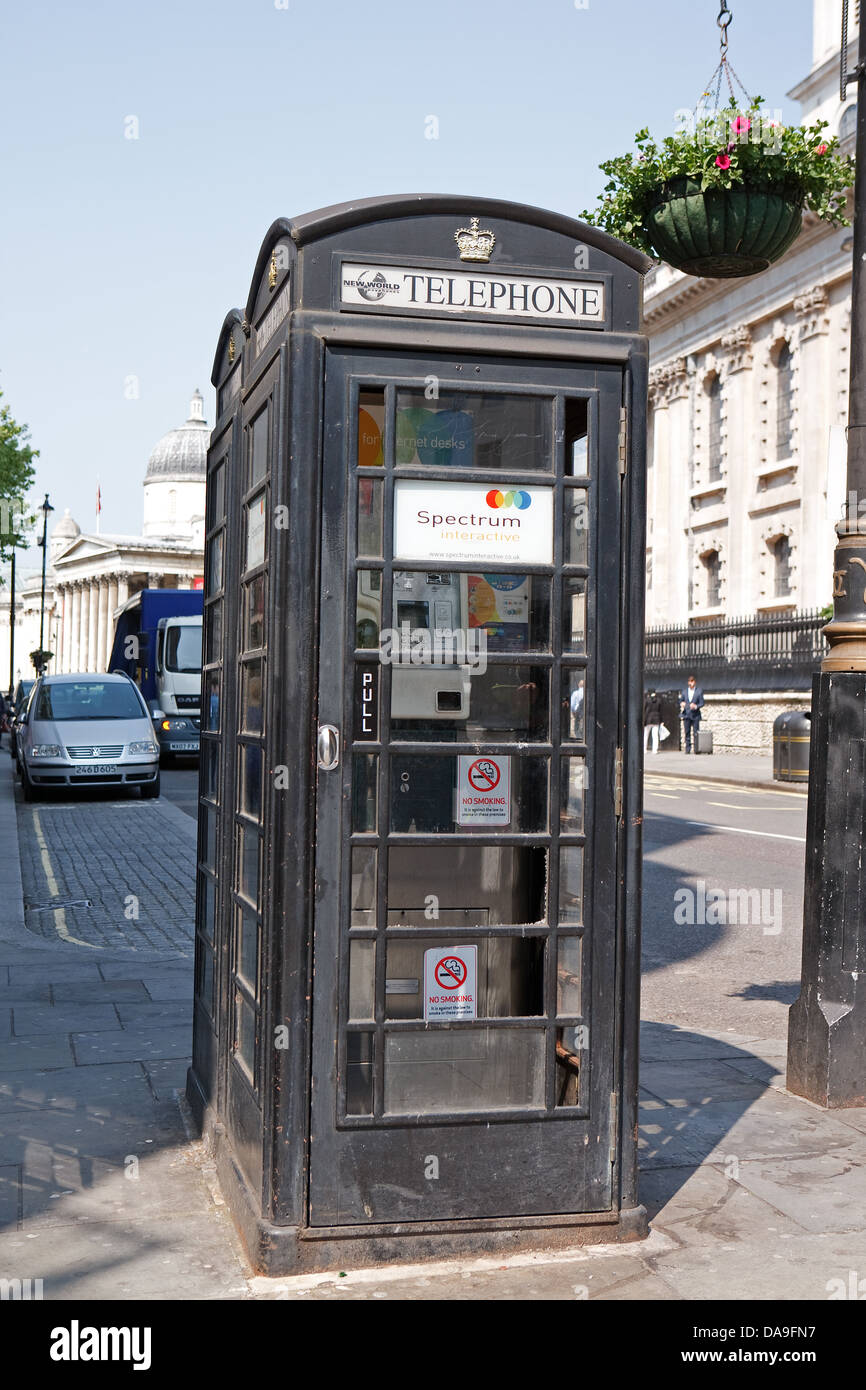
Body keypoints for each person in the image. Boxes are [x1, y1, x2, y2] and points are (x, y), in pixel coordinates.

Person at [679, 675, 705, 753]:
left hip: (695, 715)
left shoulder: (699, 691)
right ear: (688, 682)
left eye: (692, 681)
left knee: (696, 732)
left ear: (695, 682)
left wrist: (696, 706)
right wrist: (682, 703)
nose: (691, 683)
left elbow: (702, 703)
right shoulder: (684, 691)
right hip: (686, 714)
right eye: (690, 681)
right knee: (687, 732)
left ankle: (696, 749)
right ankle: (688, 749)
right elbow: (680, 701)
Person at [643, 689, 663, 754]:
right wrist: (661, 720)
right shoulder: (659, 700)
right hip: (656, 719)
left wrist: (644, 720)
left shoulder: (647, 700)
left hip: (648, 719)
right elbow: (661, 711)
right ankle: (655, 750)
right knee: (655, 735)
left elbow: (645, 711)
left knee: (646, 735)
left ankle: (644, 749)